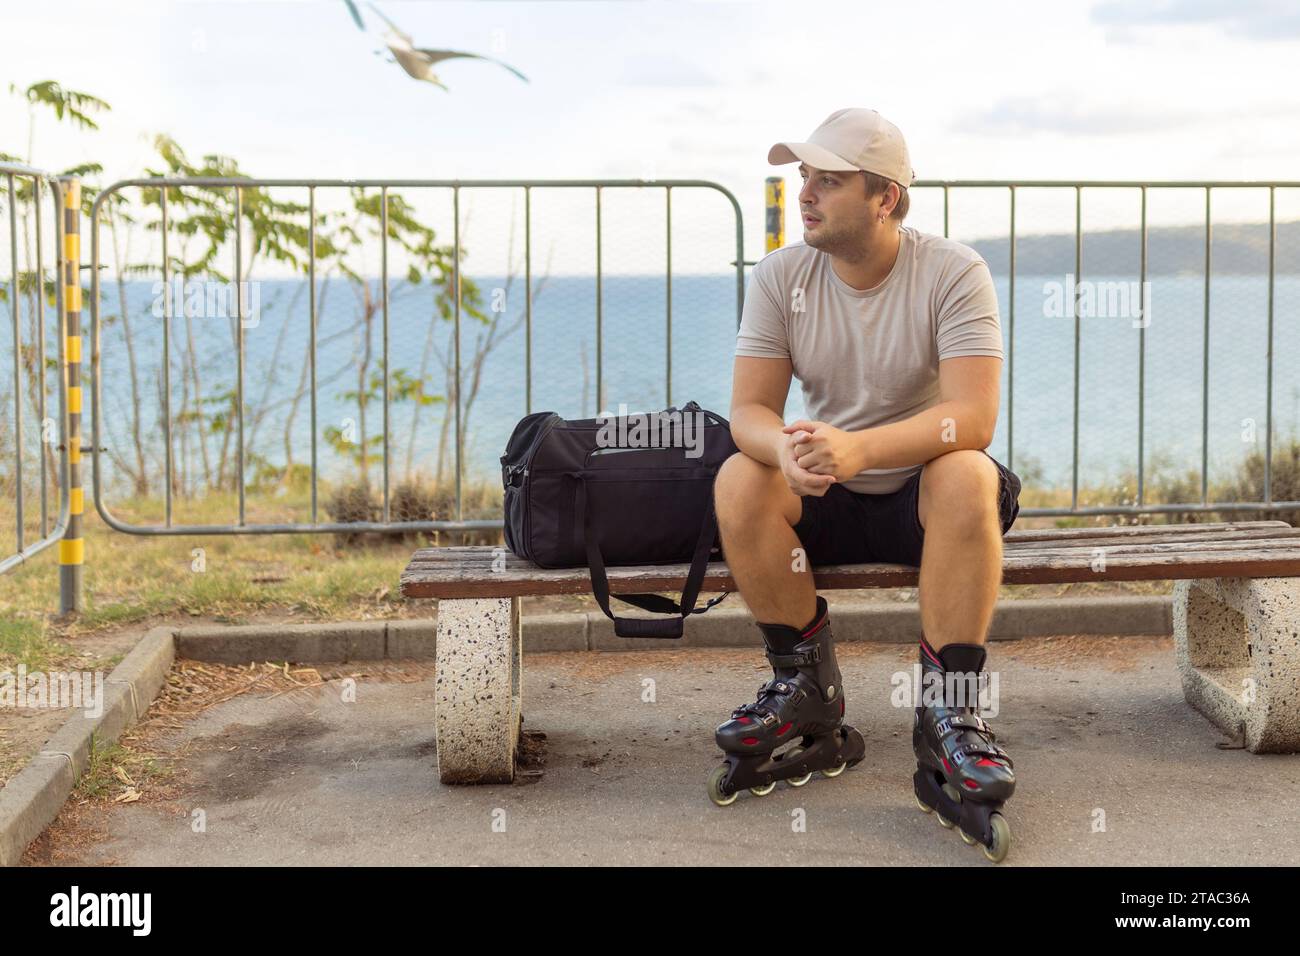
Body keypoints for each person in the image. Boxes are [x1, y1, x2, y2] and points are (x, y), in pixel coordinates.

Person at [706, 108, 1020, 862]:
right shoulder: (783, 274)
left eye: (829, 180)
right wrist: (784, 450)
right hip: (829, 495)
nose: (806, 193)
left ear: (886, 198)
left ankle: (949, 716)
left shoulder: (952, 270)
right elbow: (749, 409)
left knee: (967, 473)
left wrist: (860, 449)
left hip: (927, 498)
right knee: (738, 479)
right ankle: (807, 694)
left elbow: (972, 418)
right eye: (804, 177)